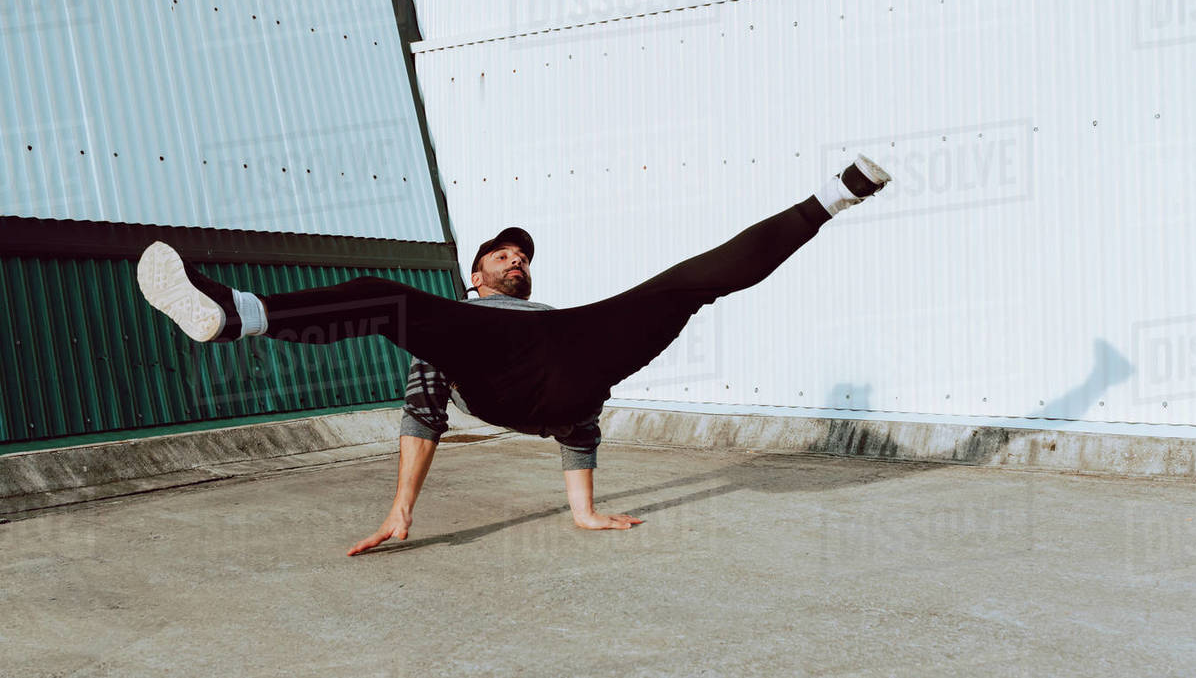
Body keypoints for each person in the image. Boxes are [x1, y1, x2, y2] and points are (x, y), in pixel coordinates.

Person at [136, 154, 892, 555]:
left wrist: (584, 512)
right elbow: (423, 410)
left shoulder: (555, 316)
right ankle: (236, 315)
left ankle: (835, 194)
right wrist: (400, 511)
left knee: (682, 284)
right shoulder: (457, 317)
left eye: (523, 256)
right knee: (383, 296)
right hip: (492, 374)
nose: (516, 261)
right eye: (501, 255)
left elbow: (581, 416)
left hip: (562, 364)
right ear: (476, 274)